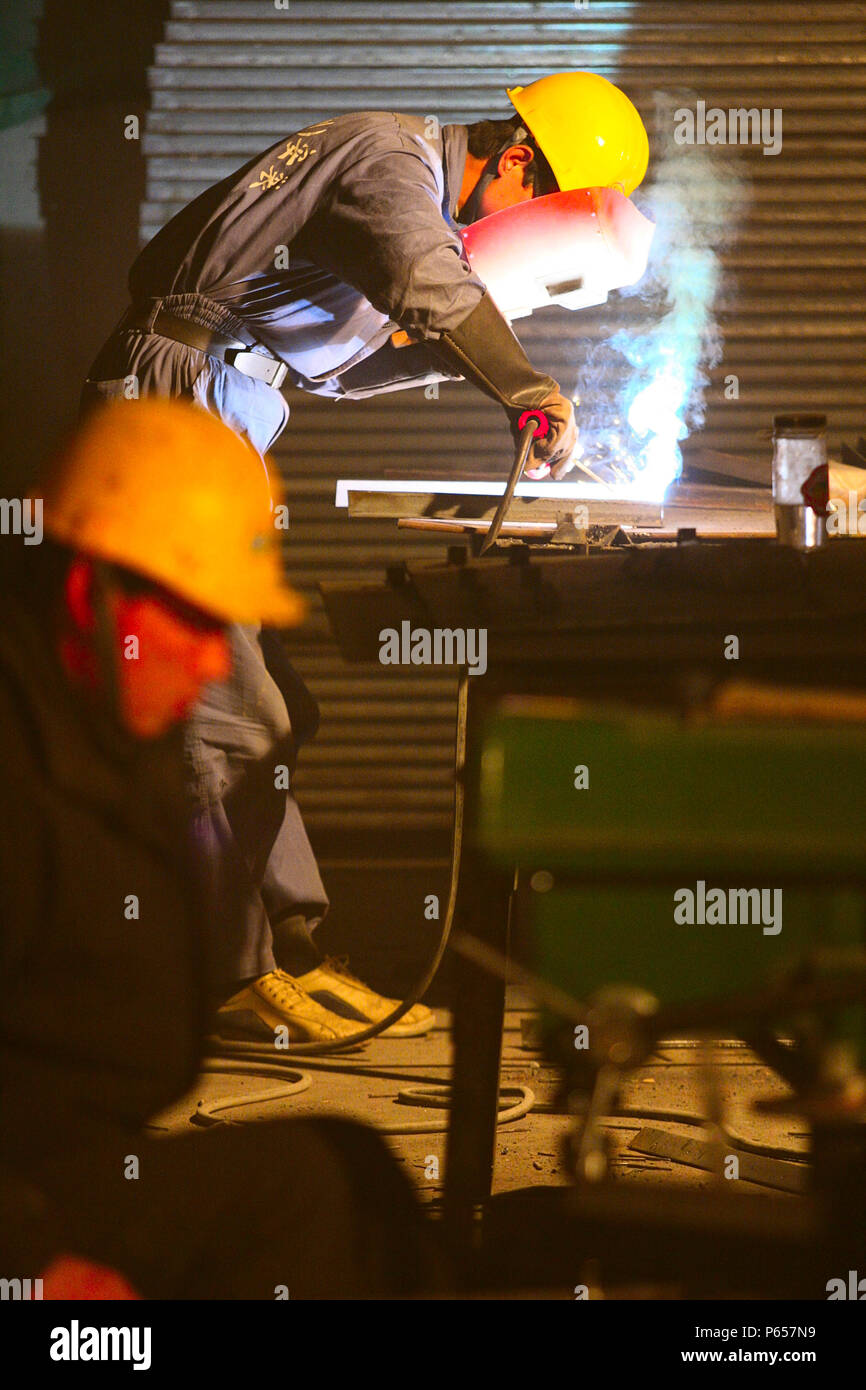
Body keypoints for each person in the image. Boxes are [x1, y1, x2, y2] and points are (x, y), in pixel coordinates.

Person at [81, 72, 649, 1044]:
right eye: (535, 211)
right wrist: (521, 385)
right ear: (515, 160)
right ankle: (234, 974)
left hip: (218, 415)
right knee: (225, 711)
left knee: (275, 707)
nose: (511, 238)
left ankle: (293, 951)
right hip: (168, 409)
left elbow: (338, 368)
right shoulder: (390, 161)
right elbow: (432, 285)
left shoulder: (391, 181)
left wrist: (470, 364)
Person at [0, 398, 444, 1298]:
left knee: (346, 1179)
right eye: (199, 624)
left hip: (60, 1170)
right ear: (91, 598)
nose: (214, 665)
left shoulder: (104, 733)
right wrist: (29, 1262)